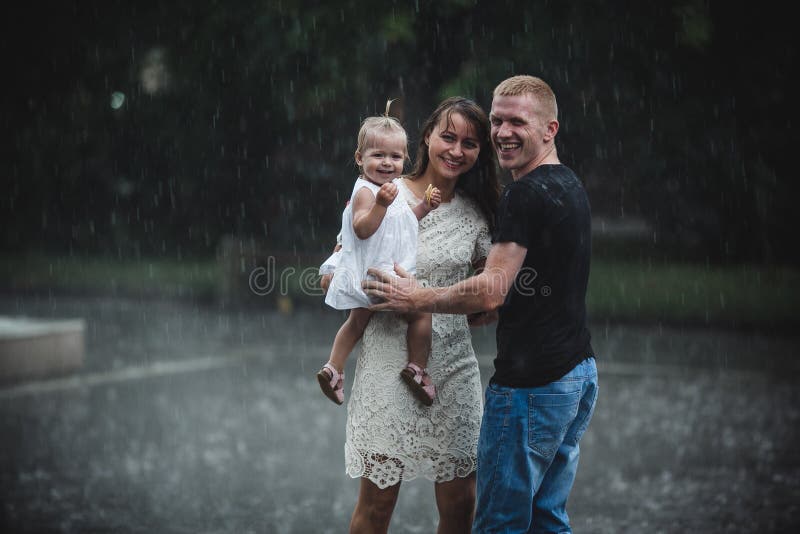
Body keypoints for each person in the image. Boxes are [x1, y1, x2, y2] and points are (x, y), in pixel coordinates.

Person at [364, 75, 599, 533]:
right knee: (546, 518)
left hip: (533, 382)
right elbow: (528, 285)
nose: (503, 132)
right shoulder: (566, 183)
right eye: (498, 120)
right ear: (427, 135)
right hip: (576, 371)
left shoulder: (523, 193)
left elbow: (493, 287)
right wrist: (492, 308)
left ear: (550, 129)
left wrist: (420, 297)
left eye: (518, 121)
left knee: (497, 524)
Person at [322, 96, 500, 533]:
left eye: (470, 143)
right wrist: (354, 283)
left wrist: (481, 309)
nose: (457, 150)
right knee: (378, 506)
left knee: (461, 506)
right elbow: (333, 271)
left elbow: (490, 291)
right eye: (448, 136)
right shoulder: (383, 190)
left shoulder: (480, 215)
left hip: (452, 368)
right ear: (427, 137)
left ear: (480, 153)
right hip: (387, 360)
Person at [317, 101, 443, 407]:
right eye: (378, 155)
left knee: (357, 322)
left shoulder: (391, 187)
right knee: (422, 313)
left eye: (395, 156)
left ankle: (333, 369)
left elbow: (402, 222)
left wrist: (425, 207)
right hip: (378, 275)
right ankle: (416, 368)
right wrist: (380, 205)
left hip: (373, 275)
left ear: (405, 159)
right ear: (360, 158)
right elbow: (362, 228)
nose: (387, 163)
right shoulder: (365, 192)